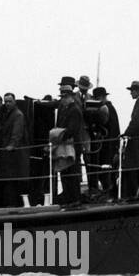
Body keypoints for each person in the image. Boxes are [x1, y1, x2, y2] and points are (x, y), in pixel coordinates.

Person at [53, 75, 84, 206]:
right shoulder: (67, 109)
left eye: (64, 98)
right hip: (66, 146)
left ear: (68, 97)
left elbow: (72, 129)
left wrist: (57, 135)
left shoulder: (74, 110)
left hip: (72, 146)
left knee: (72, 172)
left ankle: (75, 199)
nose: (62, 100)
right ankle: (69, 196)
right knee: (65, 172)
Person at [0, 92, 29, 207]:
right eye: (6, 101)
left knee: (12, 180)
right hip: (6, 153)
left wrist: (12, 145)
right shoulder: (6, 114)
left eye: (10, 101)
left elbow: (17, 133)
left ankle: (12, 206)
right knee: (7, 181)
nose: (7, 104)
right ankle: (8, 205)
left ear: (14, 102)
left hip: (14, 154)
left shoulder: (18, 115)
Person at [91, 86, 121, 199]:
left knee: (107, 169)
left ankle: (109, 192)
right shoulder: (109, 108)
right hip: (109, 144)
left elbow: (111, 128)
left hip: (108, 144)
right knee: (107, 170)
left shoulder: (107, 108)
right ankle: (110, 192)